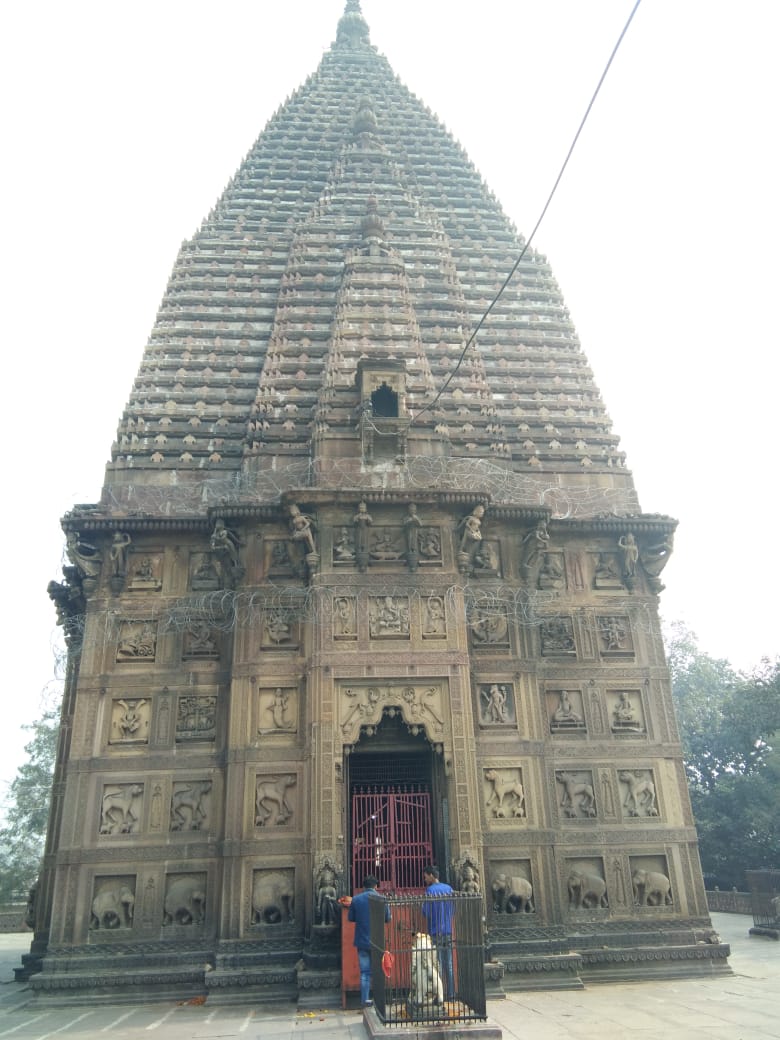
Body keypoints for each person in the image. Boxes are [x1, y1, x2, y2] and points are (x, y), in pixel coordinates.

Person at [345, 875, 390, 1007]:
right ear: (376, 886)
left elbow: (351, 917)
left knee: (365, 972)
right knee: (378, 972)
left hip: (362, 940)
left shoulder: (356, 900)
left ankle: (364, 1001)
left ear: (364, 886)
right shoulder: (382, 899)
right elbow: (387, 918)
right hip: (378, 941)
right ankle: (379, 1000)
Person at [422, 866, 455, 1000]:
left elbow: (426, 912)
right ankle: (451, 994)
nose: (424, 879)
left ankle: (439, 994)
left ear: (431, 875)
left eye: (425, 876)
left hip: (435, 930)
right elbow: (453, 909)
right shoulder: (449, 889)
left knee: (438, 963)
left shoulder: (429, 891)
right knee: (449, 963)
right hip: (447, 929)